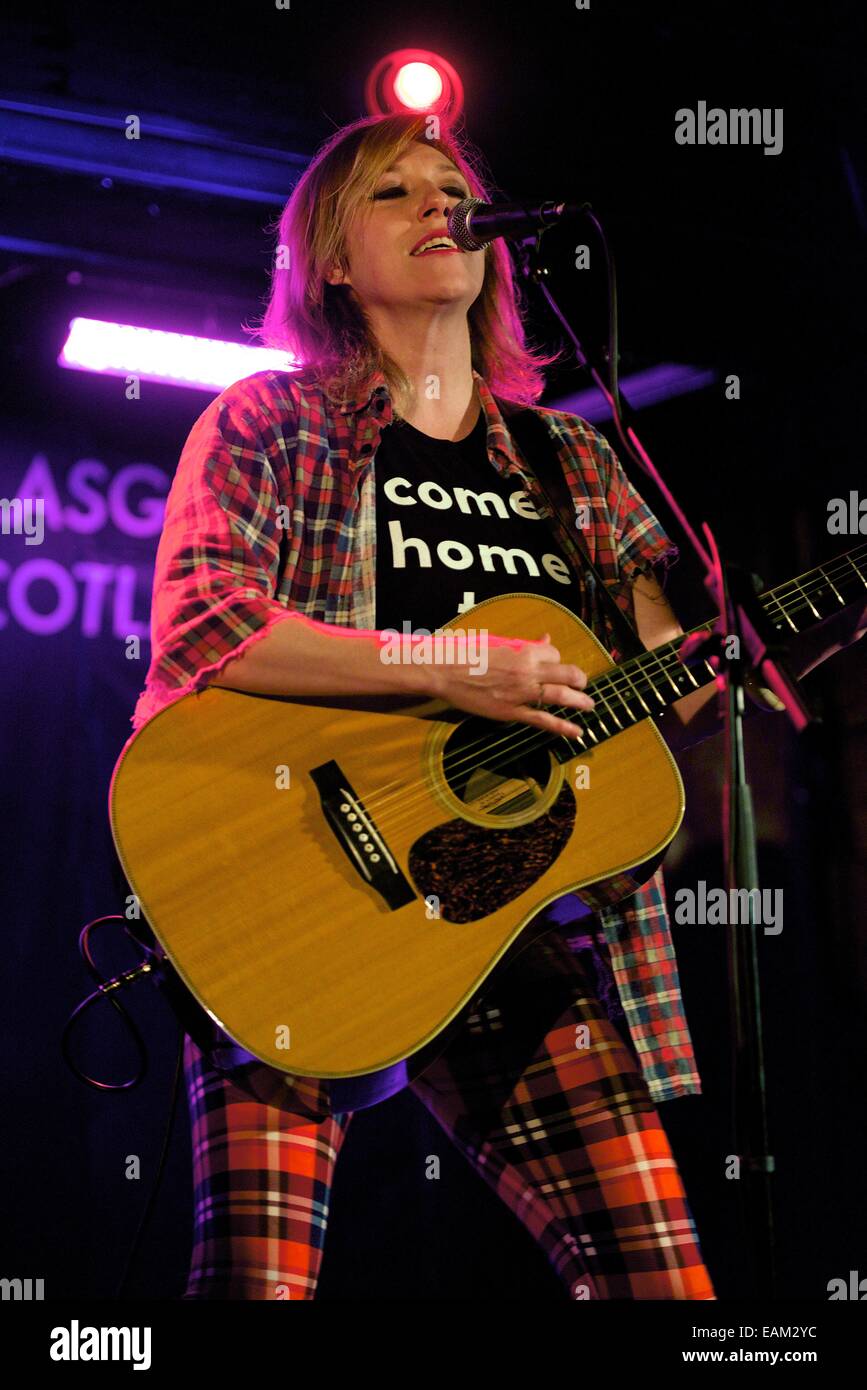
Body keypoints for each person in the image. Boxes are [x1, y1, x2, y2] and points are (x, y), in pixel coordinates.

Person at [130, 112, 826, 1301]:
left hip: (529, 932)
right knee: (261, 1289)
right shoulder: (272, 421)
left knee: (672, 1292)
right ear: (333, 261)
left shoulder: (578, 464)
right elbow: (207, 622)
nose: (442, 207)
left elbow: (679, 690)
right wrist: (451, 669)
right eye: (395, 193)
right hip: (300, 891)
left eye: (454, 188)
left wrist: (780, 642)